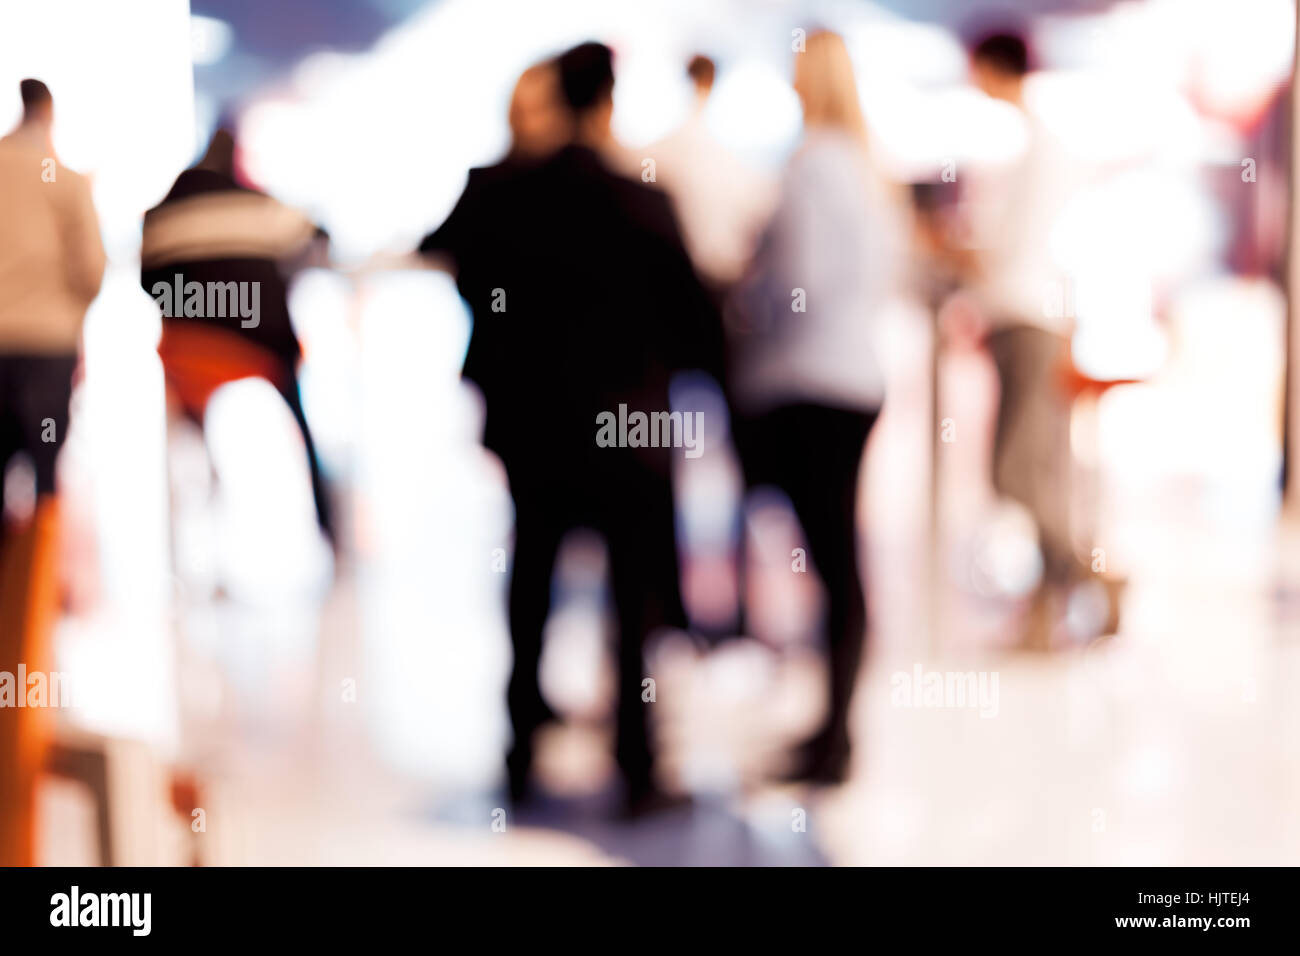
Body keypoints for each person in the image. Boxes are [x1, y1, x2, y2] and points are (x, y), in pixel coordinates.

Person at [421, 44, 719, 813]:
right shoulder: (643, 200)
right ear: (612, 102)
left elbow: (458, 269)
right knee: (632, 598)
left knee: (531, 584)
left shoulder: (507, 195)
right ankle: (638, 766)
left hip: (537, 426)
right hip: (628, 430)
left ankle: (519, 752)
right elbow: (695, 324)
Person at [727, 30, 906, 783]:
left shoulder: (809, 169)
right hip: (856, 378)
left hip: (808, 385)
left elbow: (794, 285)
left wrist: (745, 297)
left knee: (829, 561)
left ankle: (834, 734)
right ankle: (835, 726)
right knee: (840, 561)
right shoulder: (870, 172)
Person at [0, 79, 106, 865]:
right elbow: (94, 270)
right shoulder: (65, 182)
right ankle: (34, 617)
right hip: (43, 347)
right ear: (51, 115)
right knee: (46, 485)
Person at [140, 127, 333, 544]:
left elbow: (148, 279)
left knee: (187, 430)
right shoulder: (258, 205)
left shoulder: (161, 212)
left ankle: (194, 526)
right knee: (301, 413)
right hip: (259, 348)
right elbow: (317, 237)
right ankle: (327, 524)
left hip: (184, 353)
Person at [965, 31, 1079, 647]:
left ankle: (1079, 574)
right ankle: (1053, 597)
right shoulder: (1036, 142)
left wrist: (963, 253)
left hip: (1027, 318)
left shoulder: (1032, 145)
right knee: (1030, 467)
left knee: (1017, 469)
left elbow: (1012, 247)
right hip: (1032, 317)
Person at [645, 55, 774, 299]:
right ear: (714, 82)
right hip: (717, 276)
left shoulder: (661, 148)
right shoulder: (732, 155)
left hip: (670, 273)